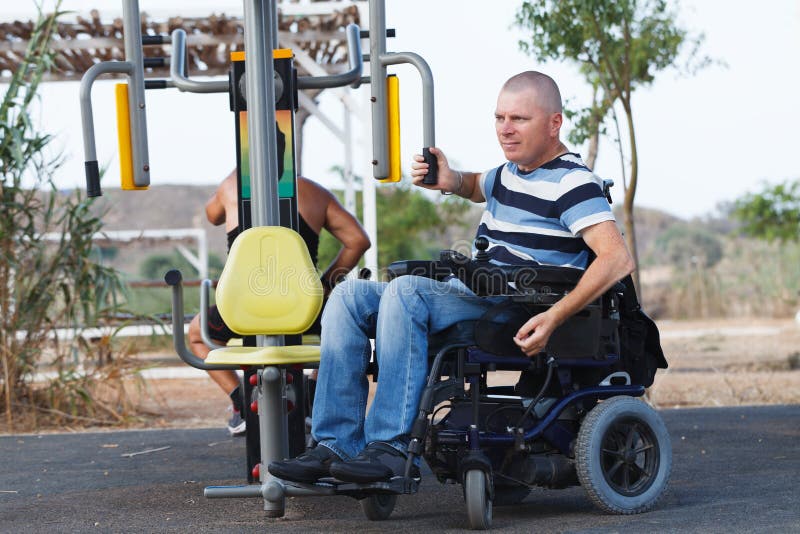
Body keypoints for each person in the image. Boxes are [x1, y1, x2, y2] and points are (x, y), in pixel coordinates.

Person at [268, 71, 634, 484]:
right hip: (473, 291)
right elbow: (480, 184)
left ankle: (390, 446)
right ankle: (335, 443)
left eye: (519, 119)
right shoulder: (513, 170)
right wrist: (450, 180)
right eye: (499, 118)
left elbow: (616, 260)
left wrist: (555, 317)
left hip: (516, 305)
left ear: (554, 123)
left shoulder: (573, 183)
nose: (505, 130)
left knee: (407, 292)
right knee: (349, 294)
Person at [187, 170, 370, 436]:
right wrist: (325, 285)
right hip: (304, 306)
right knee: (344, 334)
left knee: (196, 335)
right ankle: (310, 400)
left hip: (245, 309)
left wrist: (236, 174)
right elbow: (358, 241)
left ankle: (242, 402)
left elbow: (212, 215)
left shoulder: (230, 186)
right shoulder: (314, 192)